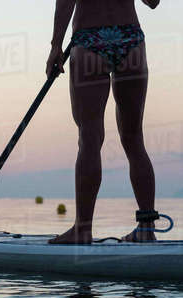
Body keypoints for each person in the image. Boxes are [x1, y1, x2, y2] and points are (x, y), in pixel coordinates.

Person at [47, 0, 161, 244]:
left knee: (89, 138)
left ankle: (83, 229)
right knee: (134, 139)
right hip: (130, 39)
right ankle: (146, 229)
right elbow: (153, 2)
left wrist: (56, 45)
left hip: (90, 39)